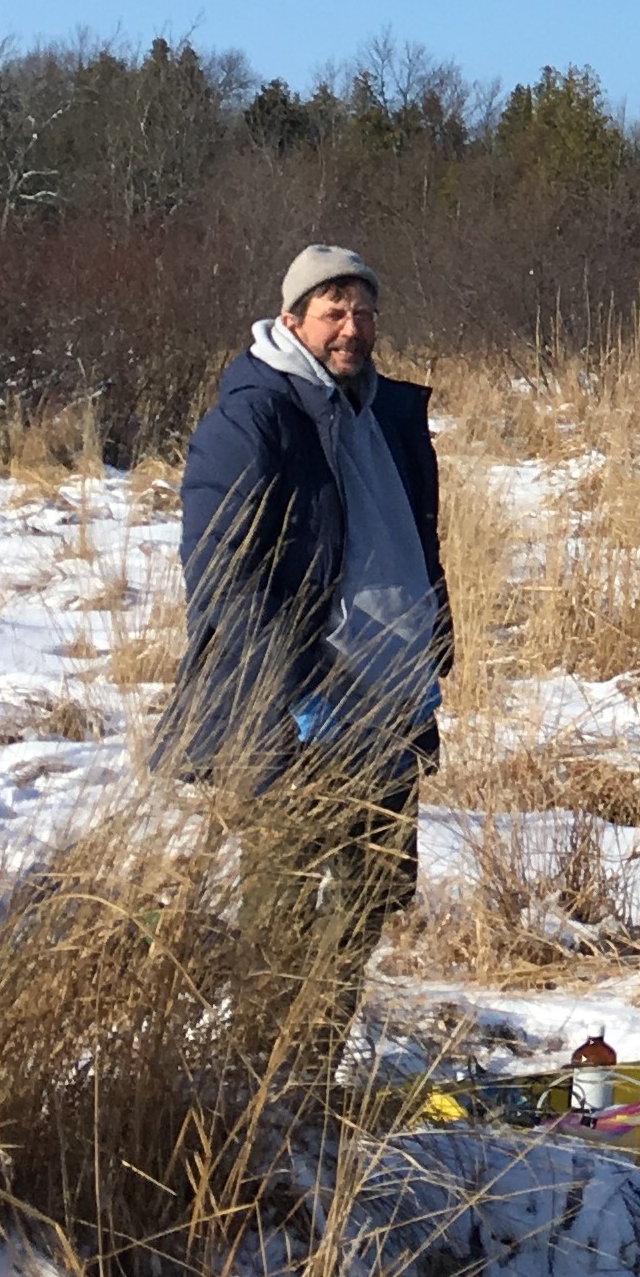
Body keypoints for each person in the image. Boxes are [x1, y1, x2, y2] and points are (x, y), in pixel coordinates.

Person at [163, 243, 453, 1063]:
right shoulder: (254, 416)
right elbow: (220, 570)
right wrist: (294, 691)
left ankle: (313, 1057)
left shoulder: (381, 412)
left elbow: (409, 542)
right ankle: (263, 1070)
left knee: (374, 889)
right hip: (302, 716)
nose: (352, 327)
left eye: (363, 311)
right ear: (292, 320)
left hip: (389, 702)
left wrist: (431, 650)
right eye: (333, 312)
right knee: (286, 899)